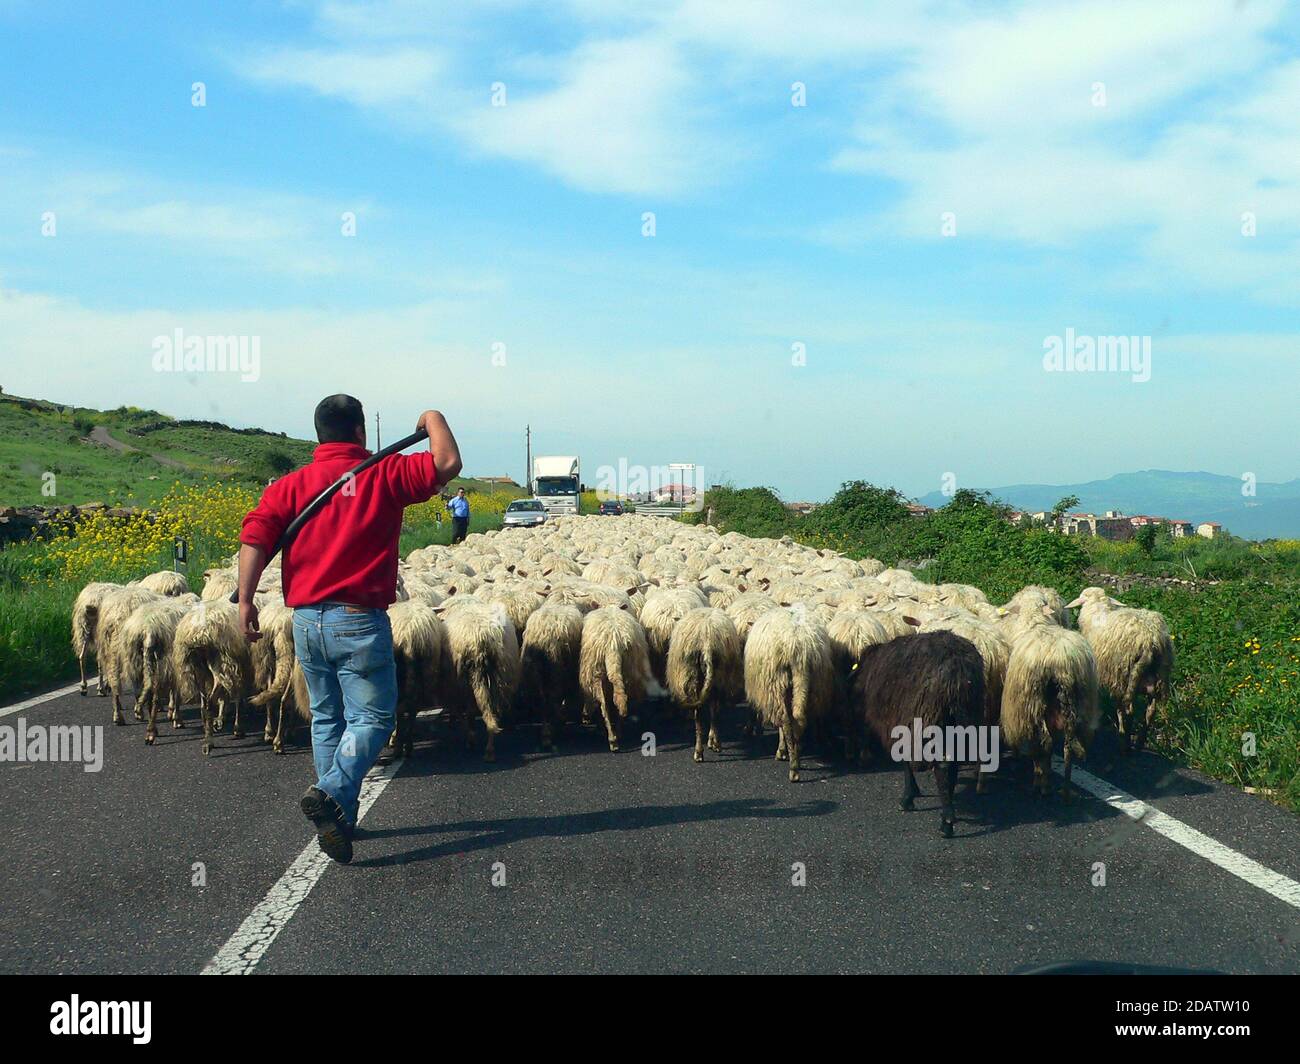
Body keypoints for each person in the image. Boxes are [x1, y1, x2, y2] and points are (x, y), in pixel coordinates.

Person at [236, 395, 461, 864]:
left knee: (326, 718)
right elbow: (446, 462)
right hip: (357, 619)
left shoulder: (291, 486)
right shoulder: (382, 474)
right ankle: (332, 791)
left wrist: (245, 601)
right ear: (361, 432)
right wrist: (432, 417)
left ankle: (342, 818)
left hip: (305, 620)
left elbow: (255, 537)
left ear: (319, 434)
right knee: (374, 719)